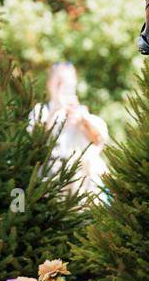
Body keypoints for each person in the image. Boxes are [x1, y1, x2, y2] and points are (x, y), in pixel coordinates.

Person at [28, 62, 109, 199]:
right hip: (50, 180)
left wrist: (83, 121)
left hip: (83, 182)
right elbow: (36, 141)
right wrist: (55, 110)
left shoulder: (83, 113)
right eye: (59, 82)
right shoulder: (40, 111)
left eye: (68, 82)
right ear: (50, 83)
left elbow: (99, 141)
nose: (64, 87)